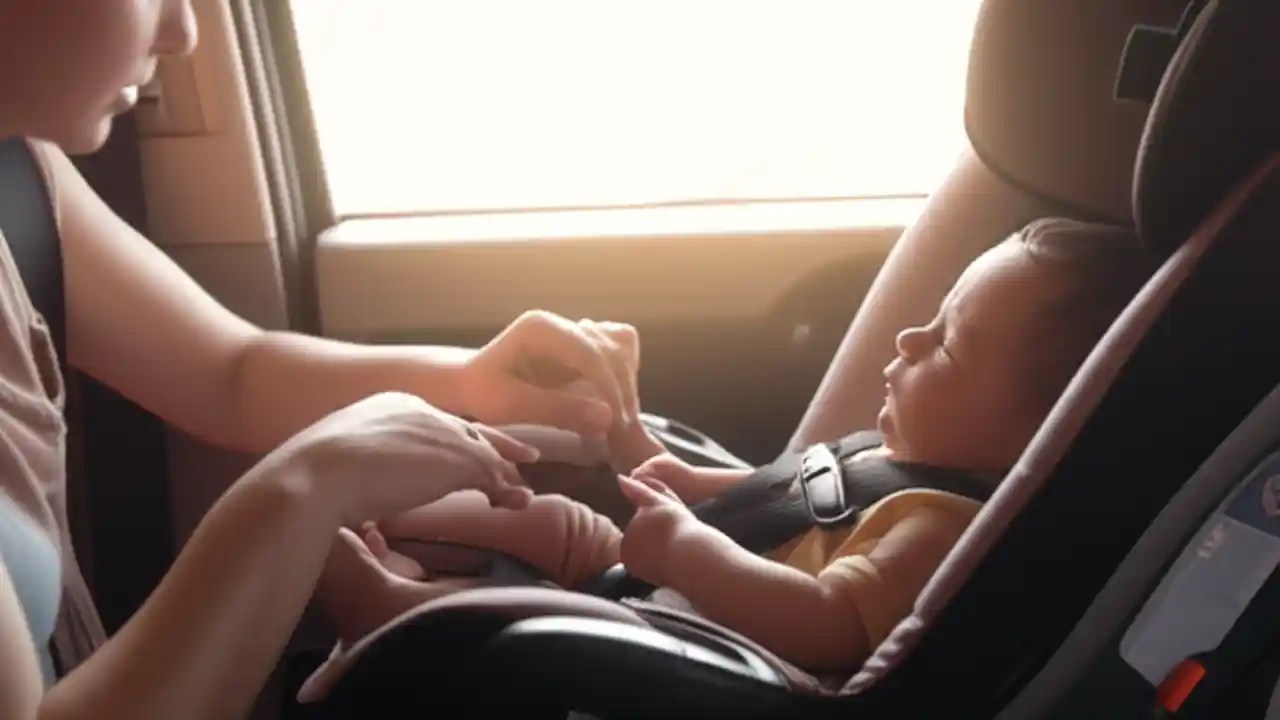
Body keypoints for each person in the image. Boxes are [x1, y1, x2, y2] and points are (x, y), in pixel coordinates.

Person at [0, 3, 645, 719]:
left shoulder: (19, 178)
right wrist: (304, 488)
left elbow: (232, 373)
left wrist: (470, 381)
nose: (183, 33)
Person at [326, 218, 1152, 673]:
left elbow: (827, 622)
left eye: (947, 345)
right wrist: (692, 479)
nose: (906, 338)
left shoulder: (939, 530)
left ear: (1045, 433)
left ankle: (395, 604)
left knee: (553, 597)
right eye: (929, 317)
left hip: (703, 644)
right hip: (681, 585)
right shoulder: (897, 465)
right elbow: (787, 494)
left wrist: (691, 555)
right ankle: (402, 524)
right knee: (554, 524)